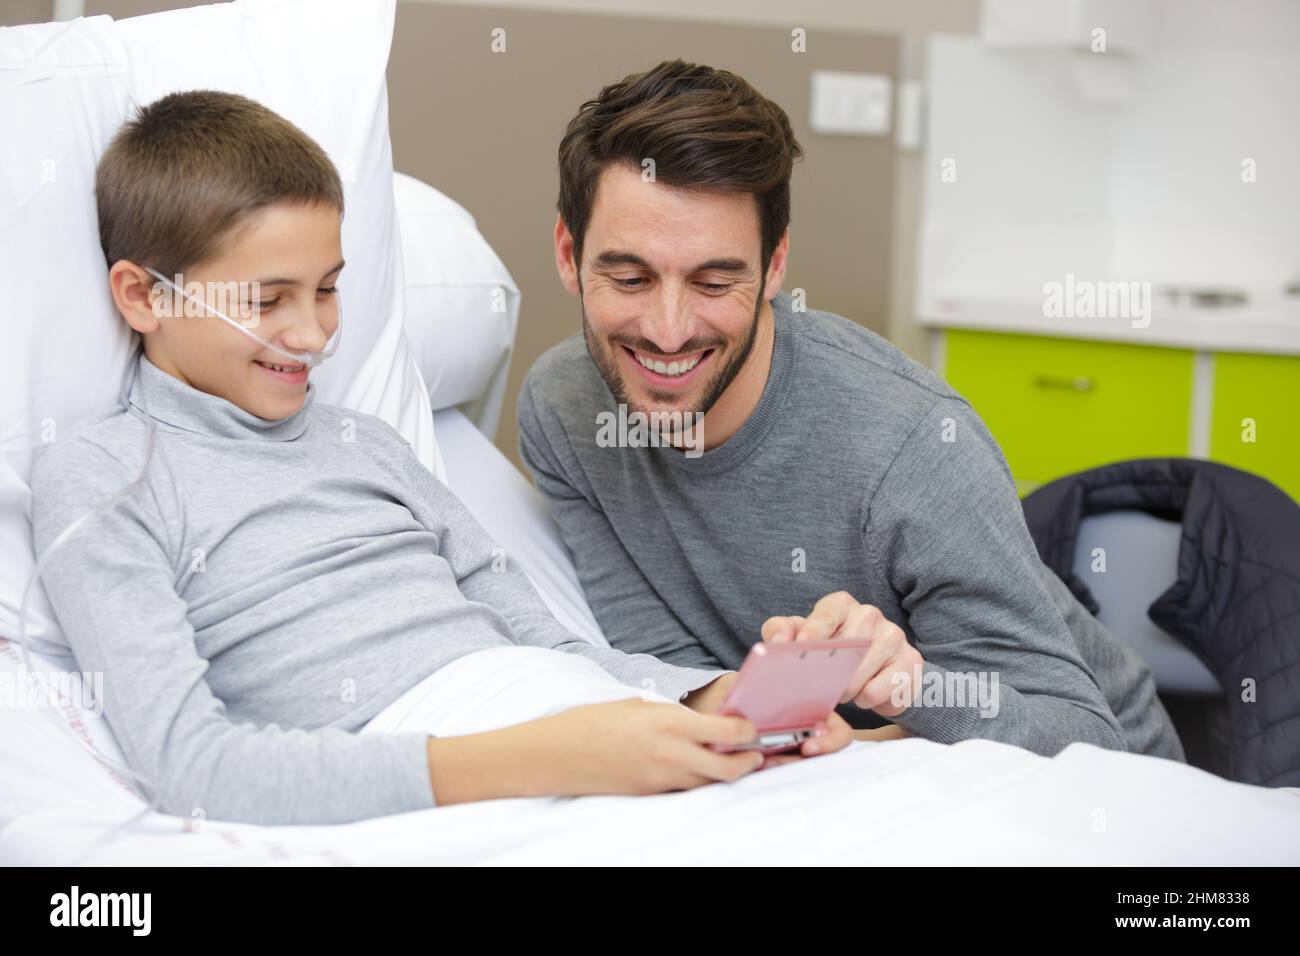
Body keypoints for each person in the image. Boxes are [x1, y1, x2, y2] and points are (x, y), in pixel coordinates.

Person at [28, 90, 855, 828]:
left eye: (327, 289)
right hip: (462, 770)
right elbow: (193, 767)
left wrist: (728, 702)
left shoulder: (370, 447)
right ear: (143, 296)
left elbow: (558, 649)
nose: (315, 335)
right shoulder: (106, 477)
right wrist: (552, 755)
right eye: (267, 300)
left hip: (565, 719)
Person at [518, 59, 1185, 761]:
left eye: (716, 281)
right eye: (630, 277)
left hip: (1108, 786)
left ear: (775, 267)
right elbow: (659, 656)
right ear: (568, 254)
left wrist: (909, 693)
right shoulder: (563, 409)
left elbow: (1085, 736)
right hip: (845, 780)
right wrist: (757, 719)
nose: (668, 328)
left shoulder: (913, 443)